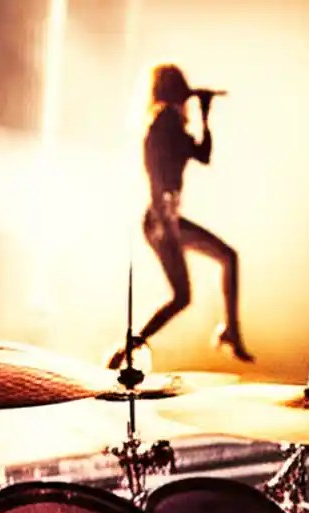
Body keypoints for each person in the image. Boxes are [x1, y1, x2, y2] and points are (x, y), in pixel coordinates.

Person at [107, 64, 255, 369]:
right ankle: (126, 349)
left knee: (224, 261)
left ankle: (230, 330)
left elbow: (203, 155)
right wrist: (163, 220)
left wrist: (204, 114)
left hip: (168, 217)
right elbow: (154, 174)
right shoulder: (162, 125)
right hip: (161, 219)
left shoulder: (172, 125)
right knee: (184, 294)